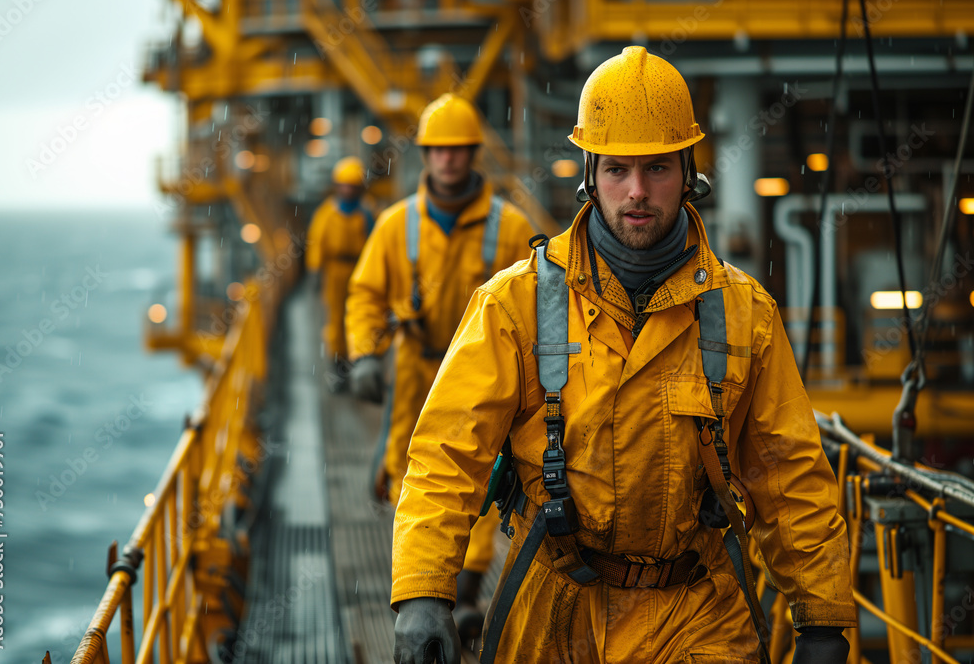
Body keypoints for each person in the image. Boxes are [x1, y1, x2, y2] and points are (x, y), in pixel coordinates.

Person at [390, 47, 857, 664]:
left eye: (657, 168)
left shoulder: (747, 314)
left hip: (697, 615)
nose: (637, 192)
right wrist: (423, 591)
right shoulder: (515, 304)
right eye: (617, 169)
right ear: (589, 174)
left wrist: (823, 619)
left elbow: (789, 476)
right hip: (552, 608)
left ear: (688, 171)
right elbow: (447, 456)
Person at [344, 93, 536, 640]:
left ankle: (465, 591)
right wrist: (364, 354)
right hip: (417, 368)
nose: (448, 159)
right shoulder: (395, 226)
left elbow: (537, 298)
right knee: (412, 469)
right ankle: (420, 582)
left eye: (457, 149)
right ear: (426, 155)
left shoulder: (510, 227)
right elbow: (365, 294)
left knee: (485, 469)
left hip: (485, 375)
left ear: (473, 152)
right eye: (438, 150)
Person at [305, 156, 375, 391]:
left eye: (352, 186)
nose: (348, 191)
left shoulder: (367, 212)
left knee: (361, 315)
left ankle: (359, 364)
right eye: (344, 186)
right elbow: (316, 243)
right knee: (336, 320)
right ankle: (338, 370)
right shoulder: (327, 213)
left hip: (360, 271)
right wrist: (315, 271)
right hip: (334, 272)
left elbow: (376, 242)